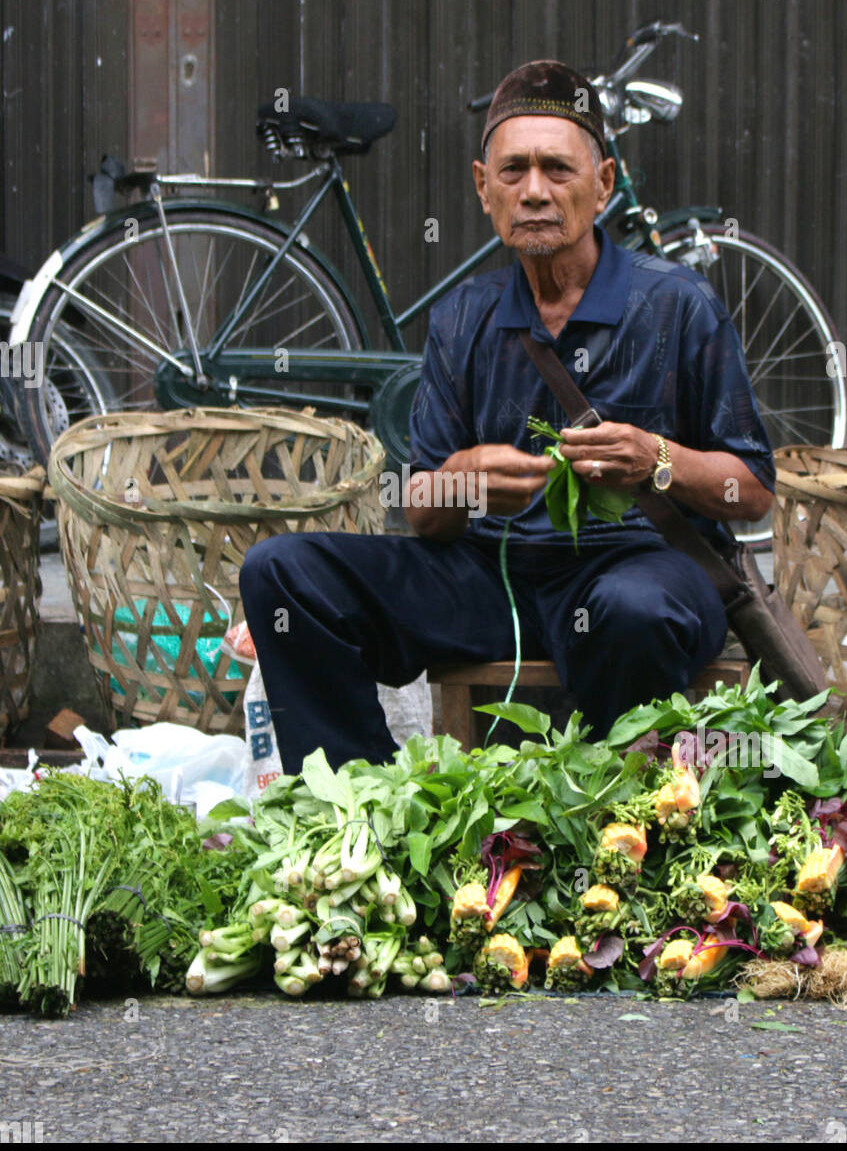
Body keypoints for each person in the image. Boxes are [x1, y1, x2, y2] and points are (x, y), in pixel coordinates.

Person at [240, 59, 775, 775]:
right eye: (514, 171)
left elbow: (754, 489)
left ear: (605, 184)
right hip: (491, 580)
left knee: (632, 610)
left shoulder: (678, 304)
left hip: (640, 571)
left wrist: (659, 460)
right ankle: (359, 808)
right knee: (283, 571)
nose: (534, 192)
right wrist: (461, 480)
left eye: (557, 169)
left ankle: (627, 822)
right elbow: (422, 509)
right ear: (482, 186)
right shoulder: (463, 316)